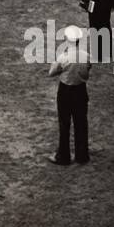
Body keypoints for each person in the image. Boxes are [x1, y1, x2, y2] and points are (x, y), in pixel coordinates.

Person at [47, 24, 91, 166]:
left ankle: (63, 156)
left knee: (64, 123)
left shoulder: (63, 57)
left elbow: (51, 73)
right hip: (80, 91)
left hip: (66, 91)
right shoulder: (86, 56)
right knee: (81, 123)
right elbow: (88, 69)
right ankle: (82, 155)